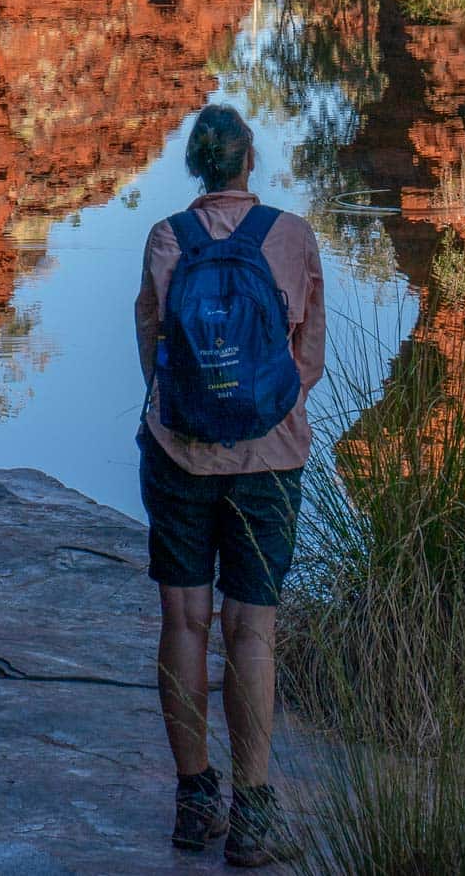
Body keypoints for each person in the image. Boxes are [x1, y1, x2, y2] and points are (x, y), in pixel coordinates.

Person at [134, 104, 325, 865]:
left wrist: (189, 418)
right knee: (253, 629)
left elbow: (153, 357)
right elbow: (308, 360)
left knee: (185, 622)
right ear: (251, 162)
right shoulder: (291, 236)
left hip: (178, 458)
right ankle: (251, 816)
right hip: (269, 463)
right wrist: (256, 412)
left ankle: (192, 804)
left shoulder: (165, 239)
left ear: (195, 167)